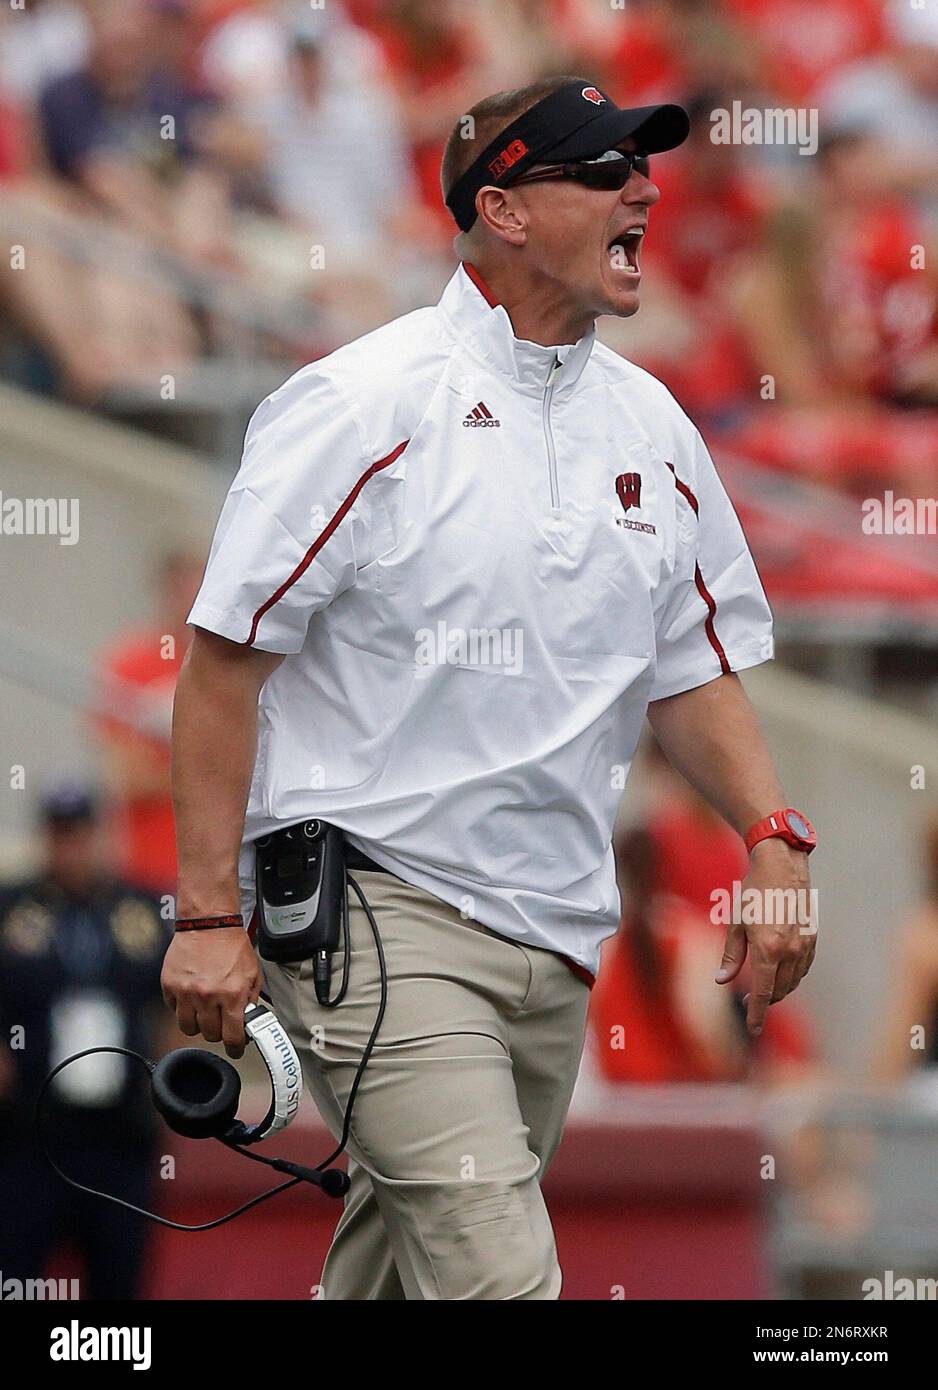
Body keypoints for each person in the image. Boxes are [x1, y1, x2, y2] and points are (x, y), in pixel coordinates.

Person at [162, 75, 818, 1301]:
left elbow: (692, 665)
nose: (645, 190)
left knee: (401, 1270)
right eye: (604, 170)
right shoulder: (361, 401)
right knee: (499, 1279)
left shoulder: (656, 428)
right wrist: (206, 915)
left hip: (555, 932)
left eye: (644, 166)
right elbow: (222, 660)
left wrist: (771, 840)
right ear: (504, 210)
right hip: (376, 905)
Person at [0, 782, 168, 1299]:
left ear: (99, 836)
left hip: (121, 1131)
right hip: (29, 1129)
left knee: (119, 1279)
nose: (70, 849)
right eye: (59, 836)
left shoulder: (143, 910)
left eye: (79, 835)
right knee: (17, 1276)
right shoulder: (12, 911)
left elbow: (181, 1001)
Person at [96, 550, 203, 897]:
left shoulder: (227, 666)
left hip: (219, 868)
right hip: (148, 869)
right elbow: (126, 778)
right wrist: (209, 767)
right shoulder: (132, 665)